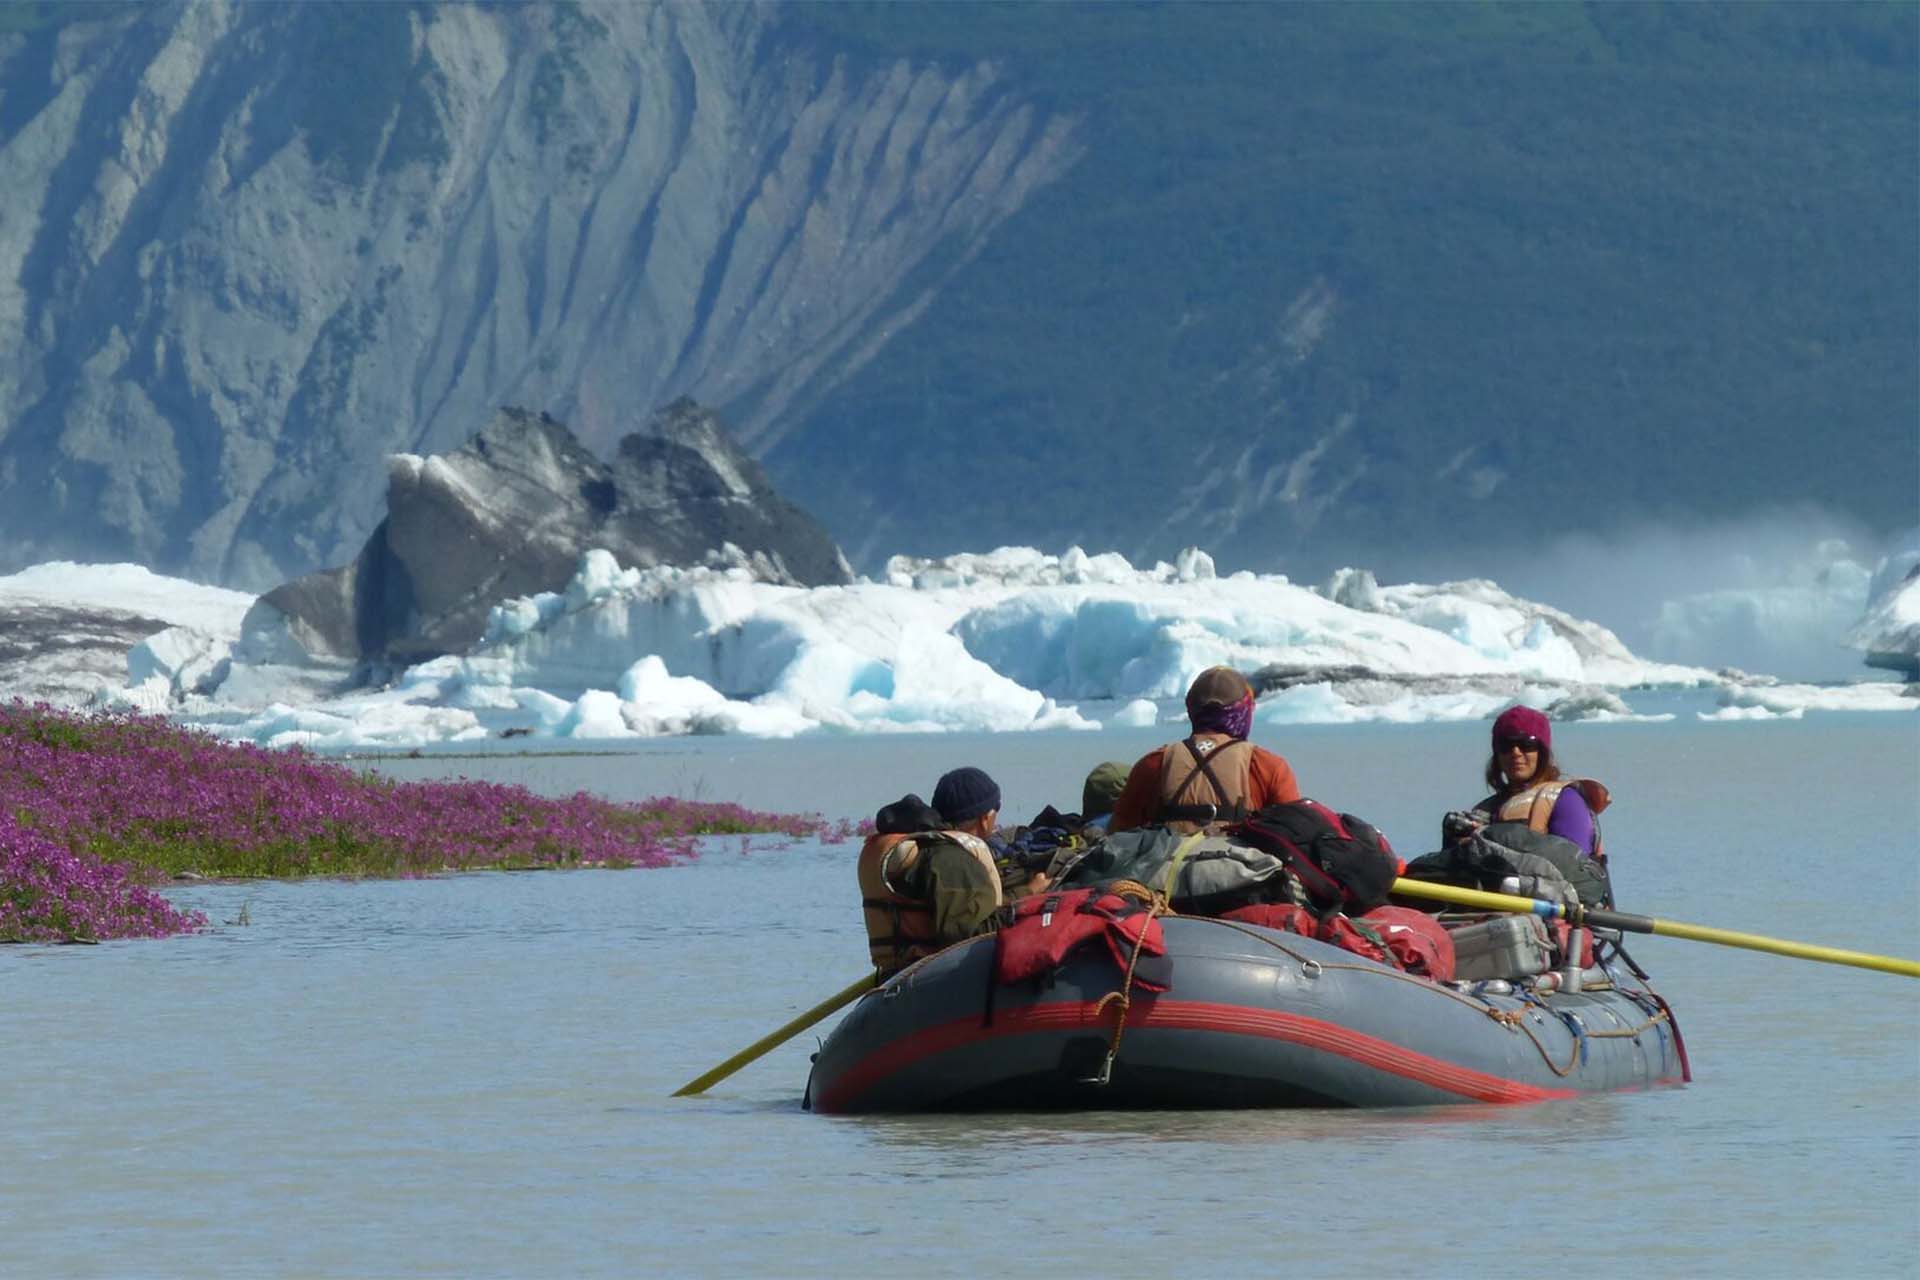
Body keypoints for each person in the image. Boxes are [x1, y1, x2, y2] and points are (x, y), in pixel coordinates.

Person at [1107, 667, 1301, 834]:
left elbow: (1119, 834)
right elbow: (1294, 835)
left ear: (1192, 710)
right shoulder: (1267, 766)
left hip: (1168, 872)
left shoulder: (1154, 763)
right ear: (1244, 711)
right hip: (1241, 874)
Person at [855, 768, 1006, 979]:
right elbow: (969, 938)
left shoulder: (928, 849)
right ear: (985, 818)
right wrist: (1028, 905)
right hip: (931, 982)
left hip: (898, 976)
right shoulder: (952, 859)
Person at [1472, 705, 1610, 858]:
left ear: (1542, 752)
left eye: (1527, 744)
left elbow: (1573, 865)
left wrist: (1493, 842)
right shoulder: (1486, 810)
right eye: (1505, 745)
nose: (1515, 753)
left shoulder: (1566, 800)